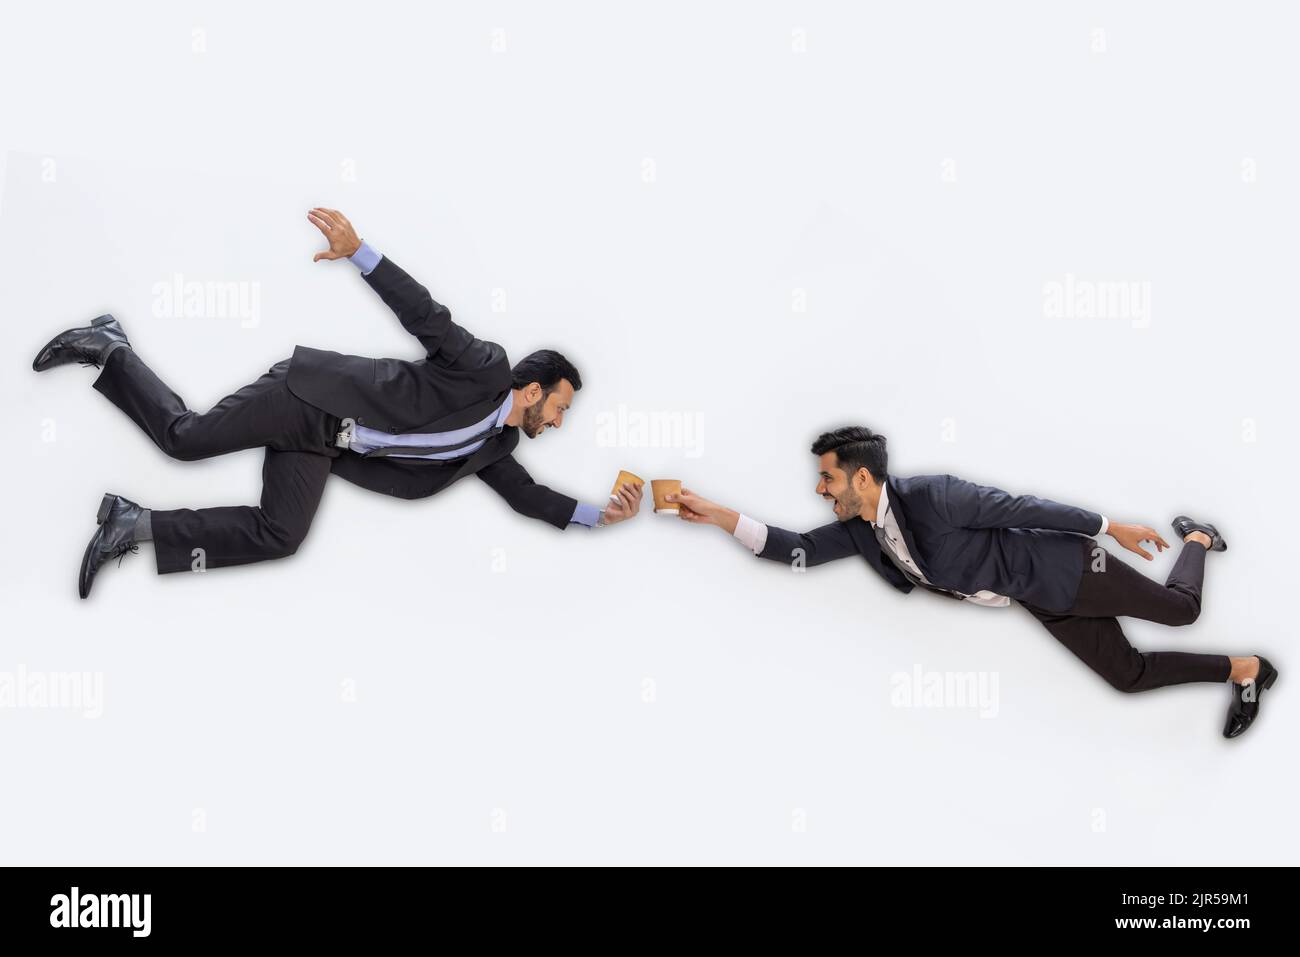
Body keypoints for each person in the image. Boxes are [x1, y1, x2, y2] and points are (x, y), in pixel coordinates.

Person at [33, 208, 643, 598]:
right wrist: (360, 253)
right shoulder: (484, 367)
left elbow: (527, 495)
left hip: (323, 442)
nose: (559, 422)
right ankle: (111, 348)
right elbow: (428, 316)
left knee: (282, 534)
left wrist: (598, 516)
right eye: (560, 408)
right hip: (306, 397)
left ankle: (130, 525)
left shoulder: (495, 443)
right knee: (184, 440)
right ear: (534, 391)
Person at [667, 425, 1278, 739]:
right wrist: (719, 516)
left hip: (1067, 568)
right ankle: (1247, 671)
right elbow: (793, 550)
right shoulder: (860, 531)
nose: (818, 491)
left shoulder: (936, 495)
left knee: (1180, 611)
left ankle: (1197, 538)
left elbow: (1020, 507)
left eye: (827, 479)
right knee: (1128, 676)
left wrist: (1108, 525)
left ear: (860, 477)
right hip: (1039, 597)